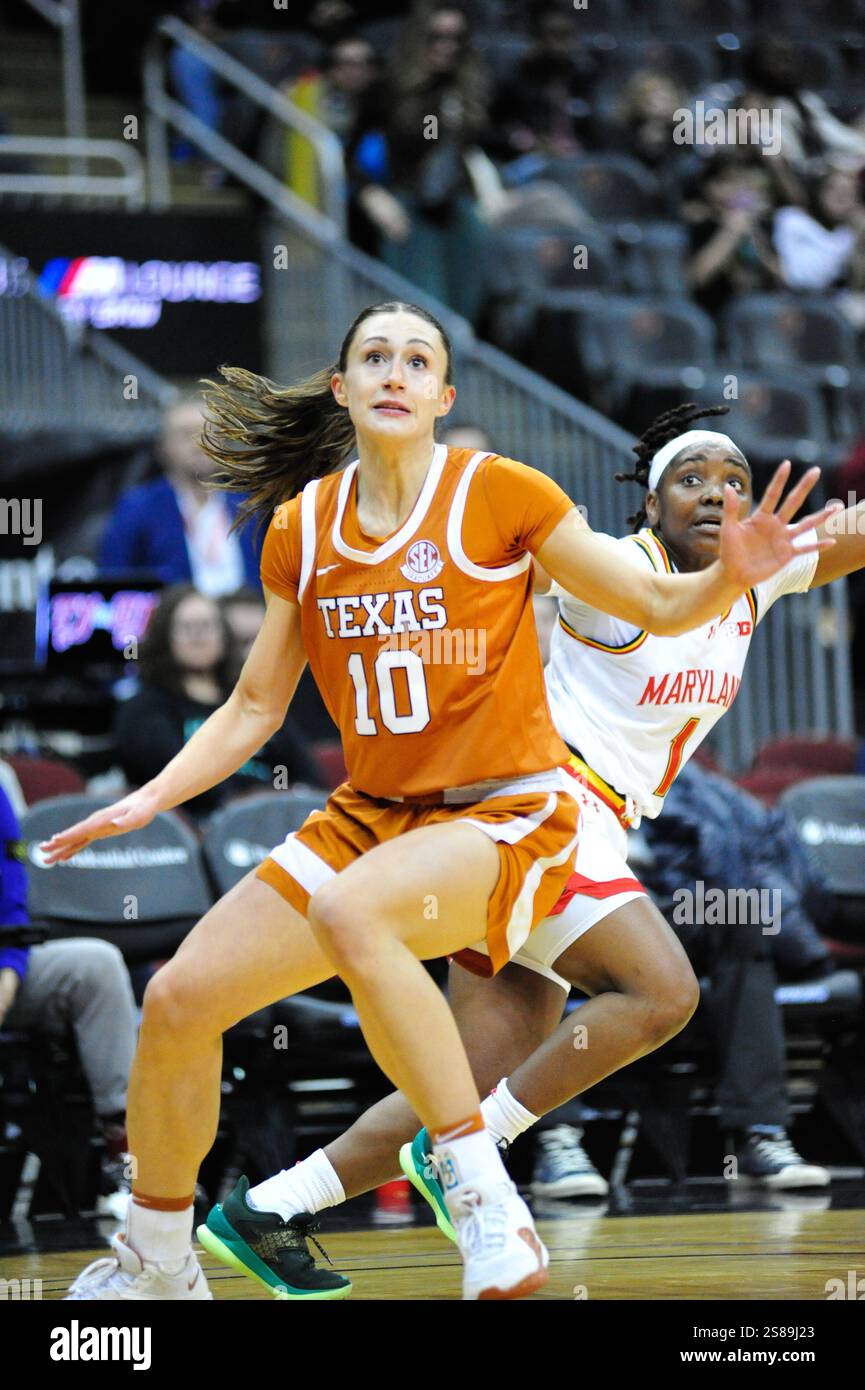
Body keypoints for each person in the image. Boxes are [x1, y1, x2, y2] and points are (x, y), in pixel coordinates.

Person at [42, 307, 834, 1302]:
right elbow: (252, 706)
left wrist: (731, 574)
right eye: (374, 354)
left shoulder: (503, 492)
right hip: (371, 813)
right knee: (177, 999)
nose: (395, 371)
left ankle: (480, 1190)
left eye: (419, 360)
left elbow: (662, 605)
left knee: (370, 918)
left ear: (443, 396)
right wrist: (148, 798)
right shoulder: (303, 525)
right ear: (342, 387)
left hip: (508, 808)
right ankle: (159, 1262)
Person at [0, 785, 138, 1220]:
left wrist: (7, 977)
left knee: (95, 964)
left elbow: (12, 910)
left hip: (4, 969)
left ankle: (127, 1157)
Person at [113, 584, 319, 820]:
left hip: (273, 822)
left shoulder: (254, 700)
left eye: (207, 625)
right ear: (165, 636)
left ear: (224, 634)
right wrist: (243, 810)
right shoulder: (144, 708)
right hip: (199, 827)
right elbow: (177, 783)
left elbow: (307, 775)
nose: (197, 635)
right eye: (186, 627)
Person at [99, 396, 262, 596]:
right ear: (162, 448)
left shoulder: (247, 506)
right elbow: (115, 581)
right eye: (186, 435)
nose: (200, 444)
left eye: (210, 433)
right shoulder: (139, 506)